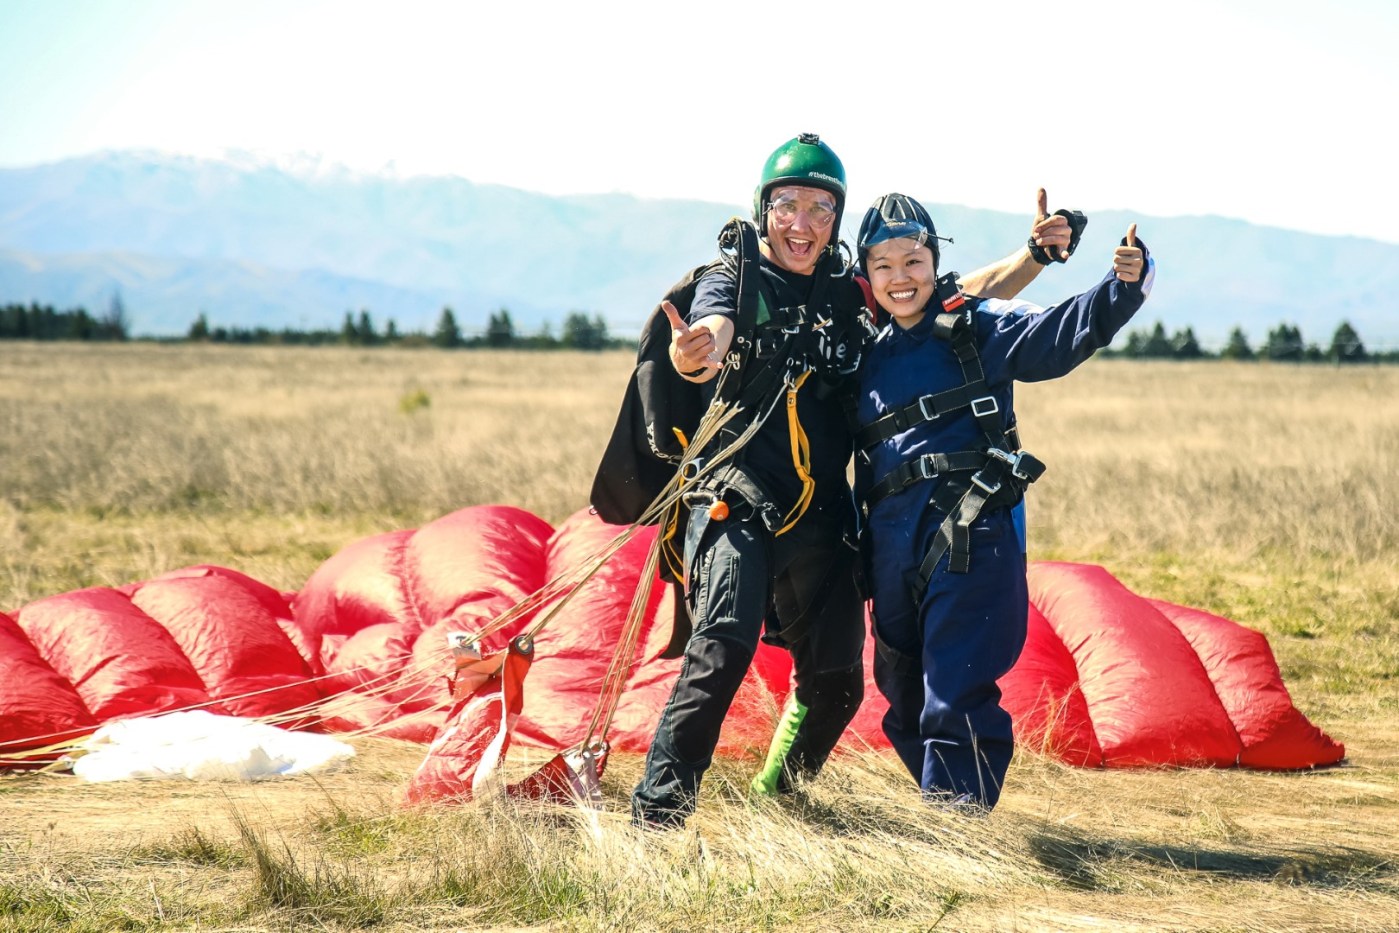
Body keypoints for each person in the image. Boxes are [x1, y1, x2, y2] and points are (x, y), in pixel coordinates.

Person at [629, 134, 1074, 829]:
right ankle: (656, 818)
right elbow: (710, 330)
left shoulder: (849, 293)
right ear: (763, 210)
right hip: (737, 497)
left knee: (837, 685)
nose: (800, 223)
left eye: (817, 207)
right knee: (722, 645)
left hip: (819, 513)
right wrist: (699, 352)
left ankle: (778, 798)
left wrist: (1035, 257)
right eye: (786, 206)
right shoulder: (735, 279)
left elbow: (946, 294)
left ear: (835, 218)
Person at [854, 192, 1153, 810]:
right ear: (867, 276)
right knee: (903, 694)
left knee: (956, 689)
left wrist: (1121, 289)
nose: (900, 278)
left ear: (934, 261)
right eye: (883, 266)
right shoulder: (862, 355)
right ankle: (951, 814)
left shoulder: (977, 327)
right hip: (889, 544)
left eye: (912, 261)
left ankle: (955, 826)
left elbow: (1058, 336)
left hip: (969, 533)